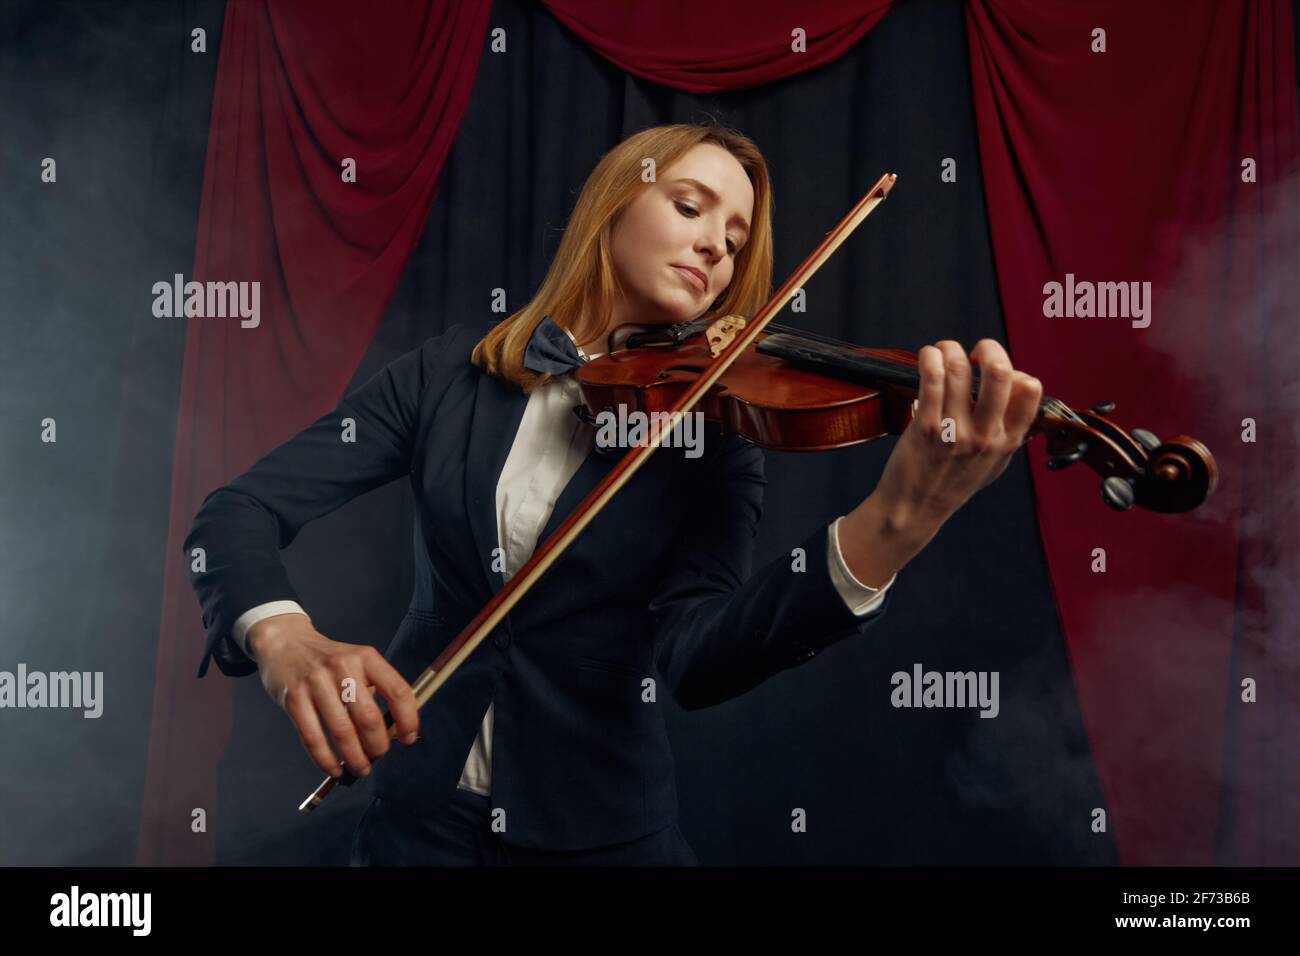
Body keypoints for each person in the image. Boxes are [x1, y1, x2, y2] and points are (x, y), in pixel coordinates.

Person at [185, 122, 1041, 866]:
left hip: (597, 836)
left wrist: (897, 520)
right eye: (691, 205)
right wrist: (283, 638)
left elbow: (698, 657)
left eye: (738, 238)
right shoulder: (450, 372)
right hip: (416, 823)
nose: (717, 245)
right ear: (613, 205)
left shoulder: (708, 431)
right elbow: (238, 512)